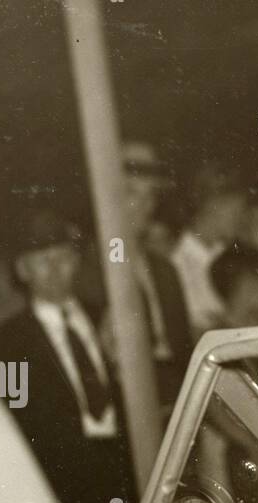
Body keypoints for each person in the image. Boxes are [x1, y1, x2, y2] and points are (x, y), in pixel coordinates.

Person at [0, 209, 135, 503]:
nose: (55, 269)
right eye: (43, 261)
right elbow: (13, 422)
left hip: (123, 468)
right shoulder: (5, 340)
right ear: (23, 271)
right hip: (64, 485)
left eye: (64, 257)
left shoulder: (107, 316)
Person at [80, 141, 192, 407]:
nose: (144, 204)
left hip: (177, 396)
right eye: (131, 192)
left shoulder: (165, 269)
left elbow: (183, 347)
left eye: (150, 194)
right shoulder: (86, 269)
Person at [172, 166, 251, 336]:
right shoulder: (177, 262)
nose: (242, 218)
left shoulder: (235, 257)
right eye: (236, 209)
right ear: (211, 204)